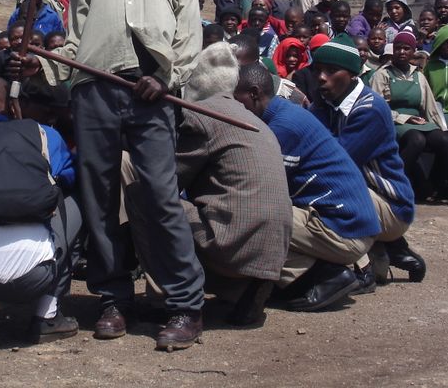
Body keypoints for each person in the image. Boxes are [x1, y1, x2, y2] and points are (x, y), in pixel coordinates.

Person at [13, 0, 204, 351]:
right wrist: (43, 64)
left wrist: (168, 78)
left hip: (149, 92)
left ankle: (184, 303)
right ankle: (111, 298)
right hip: (93, 93)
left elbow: (188, 32)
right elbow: (76, 45)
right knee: (98, 200)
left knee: (160, 196)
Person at [141, 47, 292, 326]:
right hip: (274, 250)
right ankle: (246, 288)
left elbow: (169, 182)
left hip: (233, 242)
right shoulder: (253, 119)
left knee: (145, 195)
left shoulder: (201, 116)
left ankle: (164, 296)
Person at [0, 77, 82, 345]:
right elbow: (69, 175)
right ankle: (47, 316)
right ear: (13, 105)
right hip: (34, 275)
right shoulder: (44, 134)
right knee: (71, 202)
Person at [234, 63, 380, 309]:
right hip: (346, 223)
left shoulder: (282, 128)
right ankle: (321, 270)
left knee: (251, 216)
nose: (235, 108)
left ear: (255, 94)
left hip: (346, 231)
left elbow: (260, 186)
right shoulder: (282, 114)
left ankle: (322, 277)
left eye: (238, 102)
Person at [309, 34, 426, 283]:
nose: (321, 77)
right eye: (318, 70)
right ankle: (384, 249)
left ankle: (362, 268)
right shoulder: (330, 100)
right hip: (366, 195)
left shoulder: (369, 109)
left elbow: (334, 163)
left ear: (352, 74)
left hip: (390, 204)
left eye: (331, 71)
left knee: (321, 193)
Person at [369, 31, 448, 207]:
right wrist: (404, 117)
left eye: (406, 48)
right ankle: (391, 188)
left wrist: (444, 131)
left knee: (442, 140)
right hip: (392, 121)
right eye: (398, 48)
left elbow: (430, 108)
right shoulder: (382, 75)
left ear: (413, 51)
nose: (402, 52)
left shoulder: (419, 76)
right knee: (416, 140)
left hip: (417, 121)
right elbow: (376, 108)